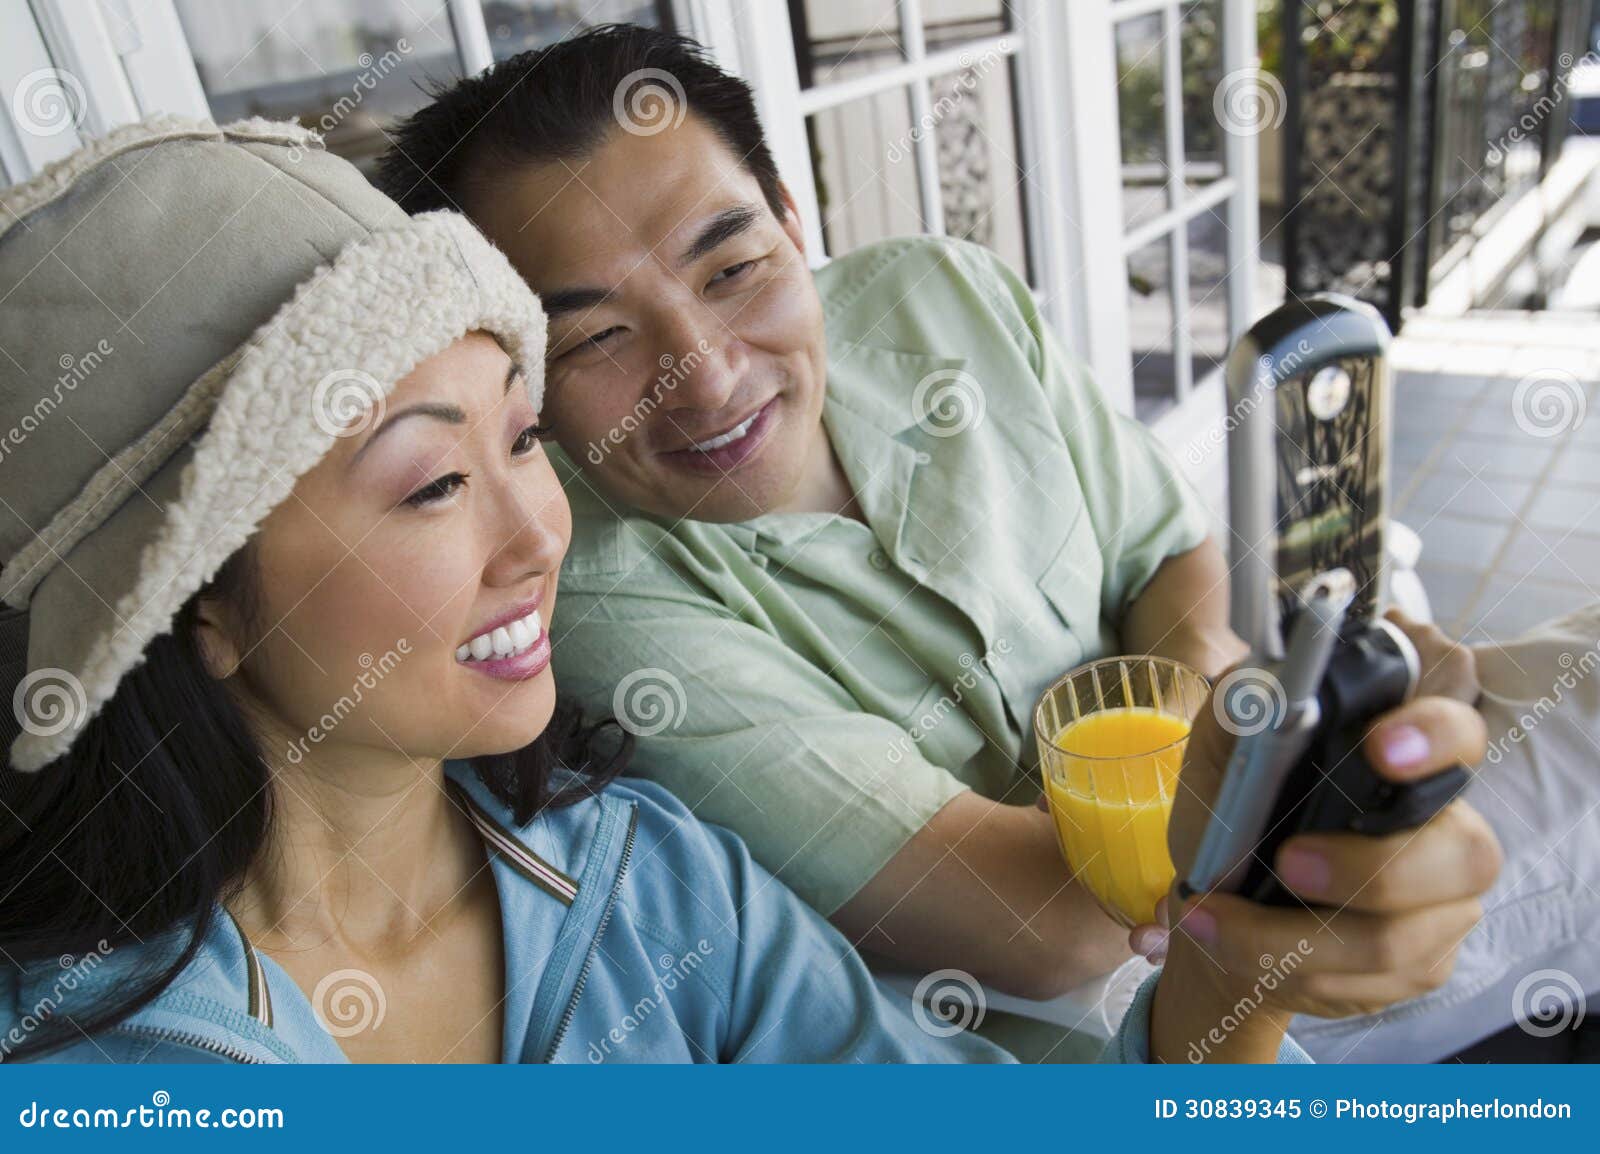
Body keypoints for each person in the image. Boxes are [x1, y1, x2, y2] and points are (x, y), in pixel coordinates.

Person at [0, 116, 1497, 1066]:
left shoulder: (655, 885)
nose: (540, 536)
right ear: (190, 600)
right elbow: (1045, 929)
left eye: (518, 442)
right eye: (433, 483)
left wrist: (1234, 984)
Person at [377, 24, 1593, 1061]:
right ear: (518, 386)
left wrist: (1246, 722)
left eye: (734, 265)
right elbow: (1046, 926)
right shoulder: (593, 596)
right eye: (595, 340)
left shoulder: (937, 294)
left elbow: (1171, 554)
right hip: (1133, 1003)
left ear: (793, 222)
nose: (702, 373)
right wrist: (1249, 751)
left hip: (1253, 803)